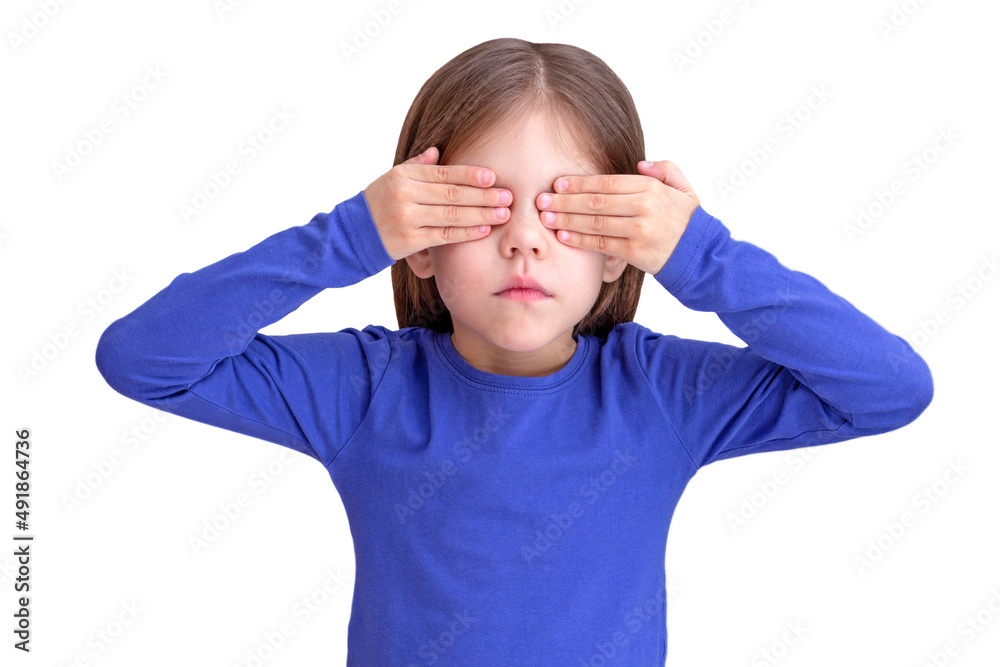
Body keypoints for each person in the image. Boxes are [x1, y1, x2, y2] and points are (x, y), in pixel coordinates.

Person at [95, 37, 933, 666]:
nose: (524, 239)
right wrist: (349, 236)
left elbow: (890, 387)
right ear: (420, 241)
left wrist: (701, 253)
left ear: (621, 249)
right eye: (483, 205)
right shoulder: (365, 389)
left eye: (570, 210)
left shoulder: (661, 394)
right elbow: (142, 358)